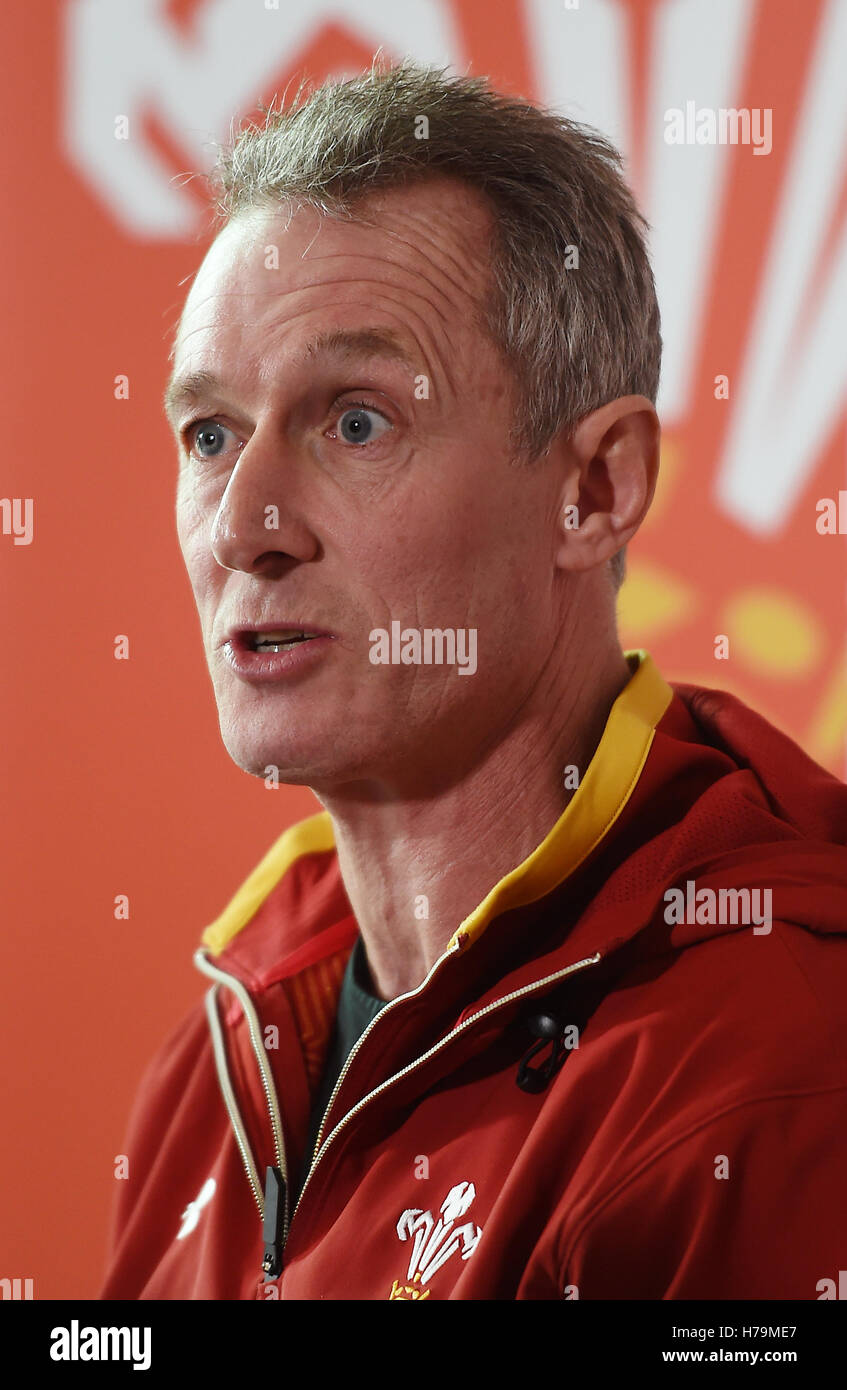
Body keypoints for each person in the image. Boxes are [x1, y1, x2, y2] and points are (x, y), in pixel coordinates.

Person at [100, 60, 847, 1301]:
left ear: (596, 486)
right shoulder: (217, 1066)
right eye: (211, 434)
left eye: (355, 422)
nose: (246, 523)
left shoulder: (765, 1070)